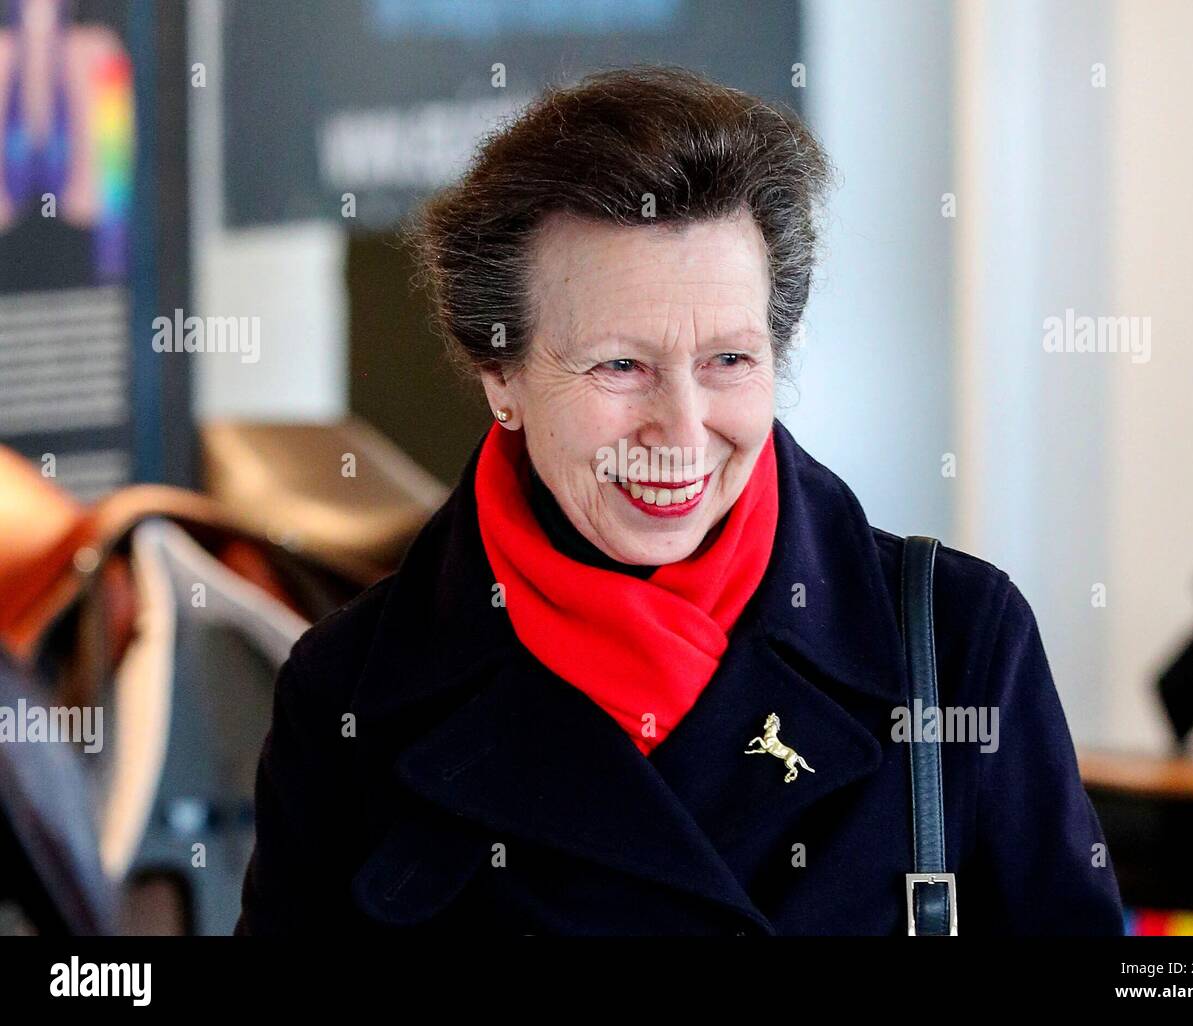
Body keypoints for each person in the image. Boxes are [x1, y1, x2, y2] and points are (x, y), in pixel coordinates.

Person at [234, 65, 1124, 936]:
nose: (684, 430)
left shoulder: (956, 643)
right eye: (621, 365)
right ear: (499, 374)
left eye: (728, 361)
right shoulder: (351, 694)